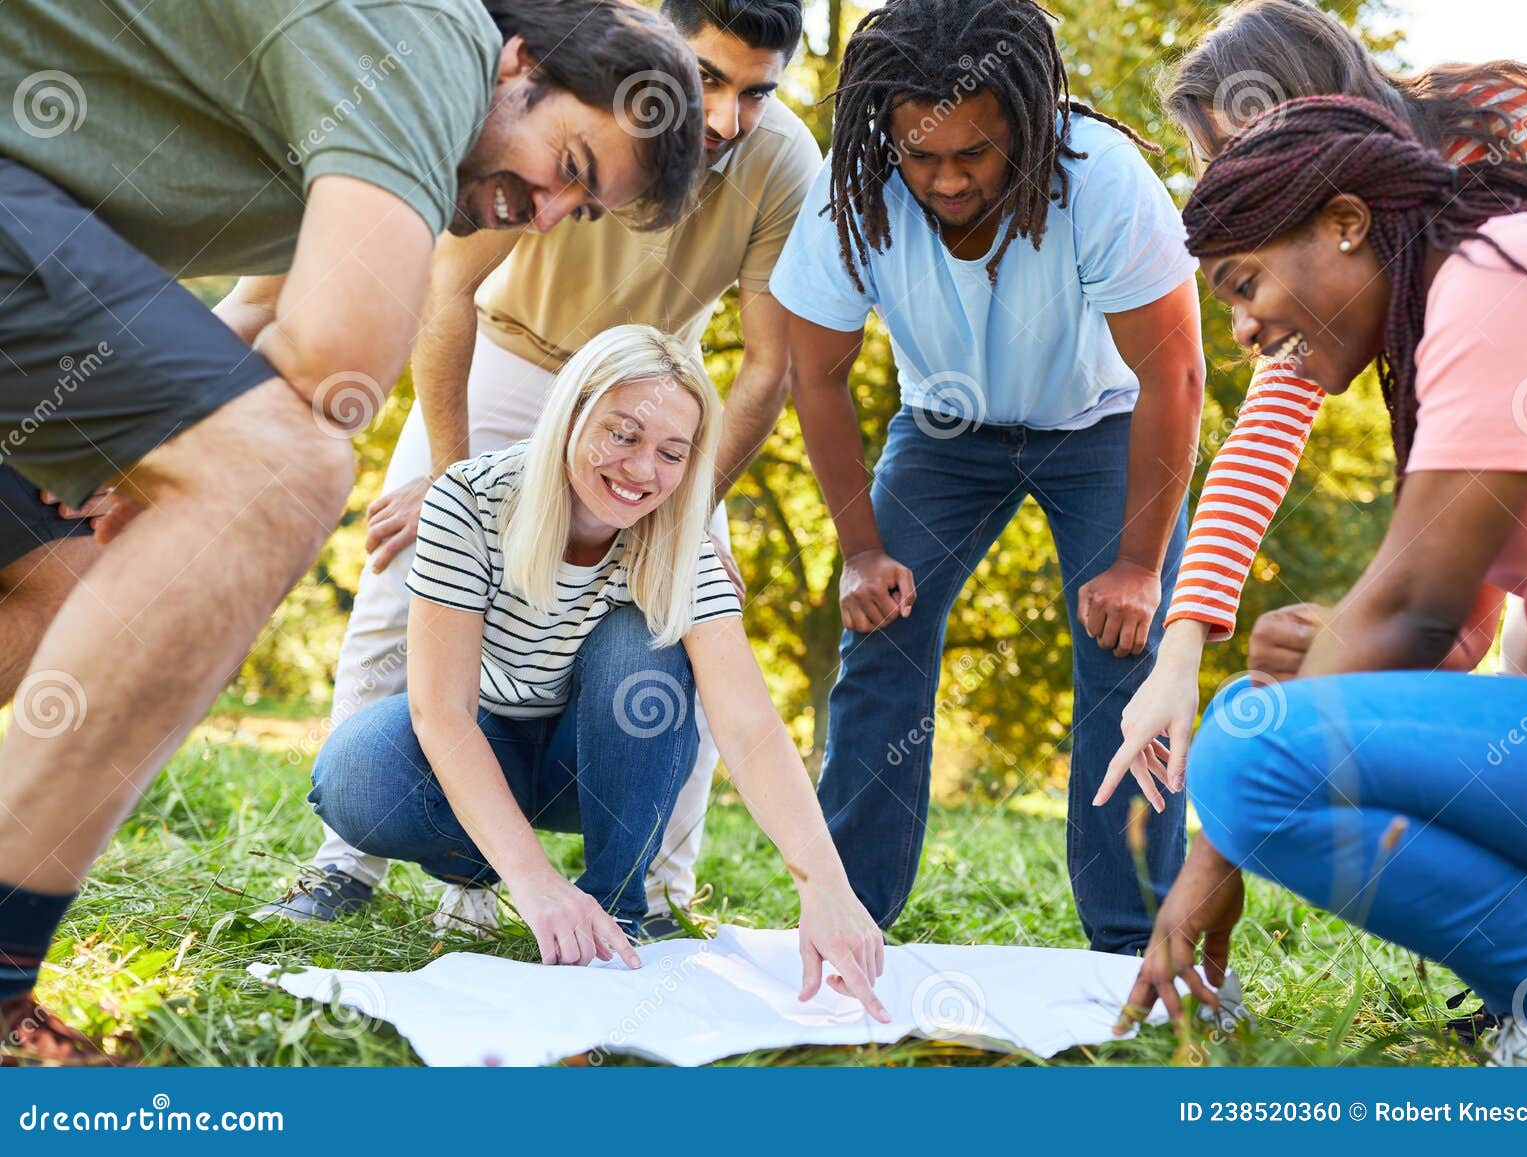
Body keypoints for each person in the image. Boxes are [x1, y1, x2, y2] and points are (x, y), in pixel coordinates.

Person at [0, 0, 703, 1066]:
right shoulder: (427, 45)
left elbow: (247, 320)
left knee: (55, 575)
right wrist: (183, 467)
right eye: (566, 160)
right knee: (283, 465)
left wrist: (143, 466)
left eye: (579, 206)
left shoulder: (369, 133)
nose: (544, 209)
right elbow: (329, 365)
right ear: (522, 59)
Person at [261, 0, 820, 937]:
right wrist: (451, 477)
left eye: (756, 92)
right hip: (508, 359)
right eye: (708, 80)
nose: (725, 120)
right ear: (661, 42)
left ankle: (657, 890)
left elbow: (768, 365)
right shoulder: (582, 100)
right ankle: (344, 866)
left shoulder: (782, 163)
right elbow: (450, 284)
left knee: (685, 617)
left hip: (648, 397)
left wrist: (687, 514)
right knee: (401, 580)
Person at [1119, 95, 1527, 1067]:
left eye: (1244, 284)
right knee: (1263, 725)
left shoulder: (1501, 271)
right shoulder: (1450, 313)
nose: (1245, 331)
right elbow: (1451, 624)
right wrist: (1326, 649)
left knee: (1245, 757)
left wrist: (1215, 845)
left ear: (1344, 222)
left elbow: (1415, 609)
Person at [769, 0, 1206, 954]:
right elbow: (819, 376)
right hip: (945, 429)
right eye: (922, 156)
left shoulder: (1103, 181)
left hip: (1104, 424)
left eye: (975, 153)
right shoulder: (854, 191)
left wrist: (1138, 566)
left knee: (1126, 657)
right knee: (879, 633)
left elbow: (1175, 376)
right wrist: (858, 552)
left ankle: (1133, 943)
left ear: (1027, 122)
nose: (947, 178)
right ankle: (847, 920)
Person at [1100, 0, 1527, 808]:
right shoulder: (1329, 272)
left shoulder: (1511, 134)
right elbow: (1260, 441)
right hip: (1525, 472)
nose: (1240, 186)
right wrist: (1180, 649)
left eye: (1243, 152)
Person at [310, 325, 889, 1019]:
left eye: (672, 453)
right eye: (623, 434)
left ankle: (619, 908)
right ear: (572, 414)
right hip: (482, 741)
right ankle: (478, 871)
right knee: (356, 773)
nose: (643, 470)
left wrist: (824, 884)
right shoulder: (470, 500)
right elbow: (442, 711)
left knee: (639, 640)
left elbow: (750, 725)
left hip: (590, 767)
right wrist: (534, 882)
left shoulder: (683, 546)